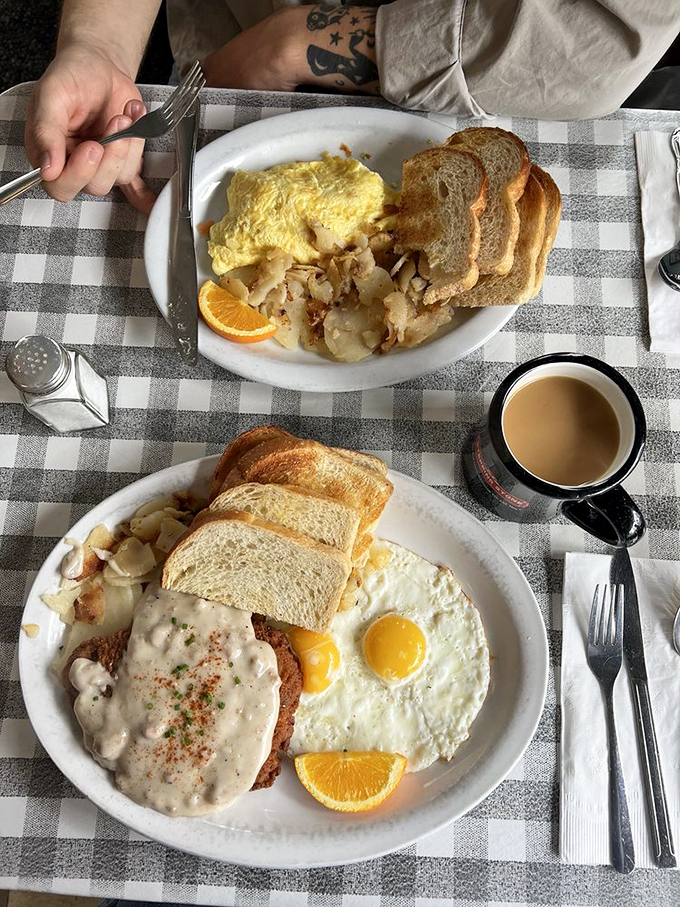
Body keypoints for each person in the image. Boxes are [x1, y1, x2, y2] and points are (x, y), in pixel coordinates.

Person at [25, 0, 679, 213]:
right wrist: (101, 45)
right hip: (212, 64)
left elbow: (602, 34)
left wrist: (294, 42)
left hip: (519, 88)